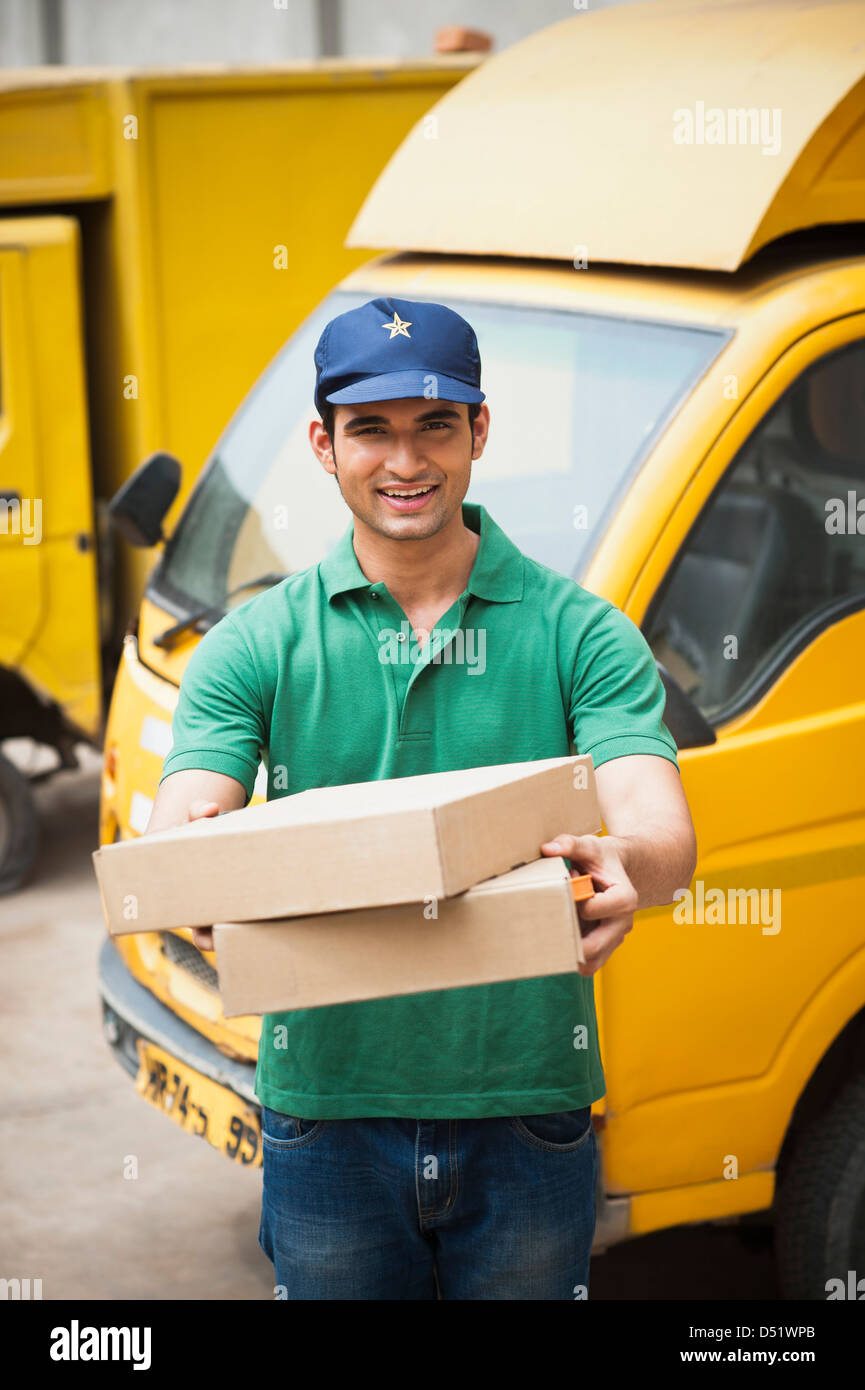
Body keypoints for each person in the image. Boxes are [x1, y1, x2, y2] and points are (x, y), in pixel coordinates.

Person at [145, 296, 697, 1300]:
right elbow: (188, 807)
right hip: (326, 1112)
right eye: (371, 430)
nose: (406, 460)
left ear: (478, 430)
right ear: (324, 443)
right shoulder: (258, 643)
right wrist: (192, 861)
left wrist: (634, 864)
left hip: (528, 1108)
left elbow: (658, 823)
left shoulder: (580, 633)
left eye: (435, 424)